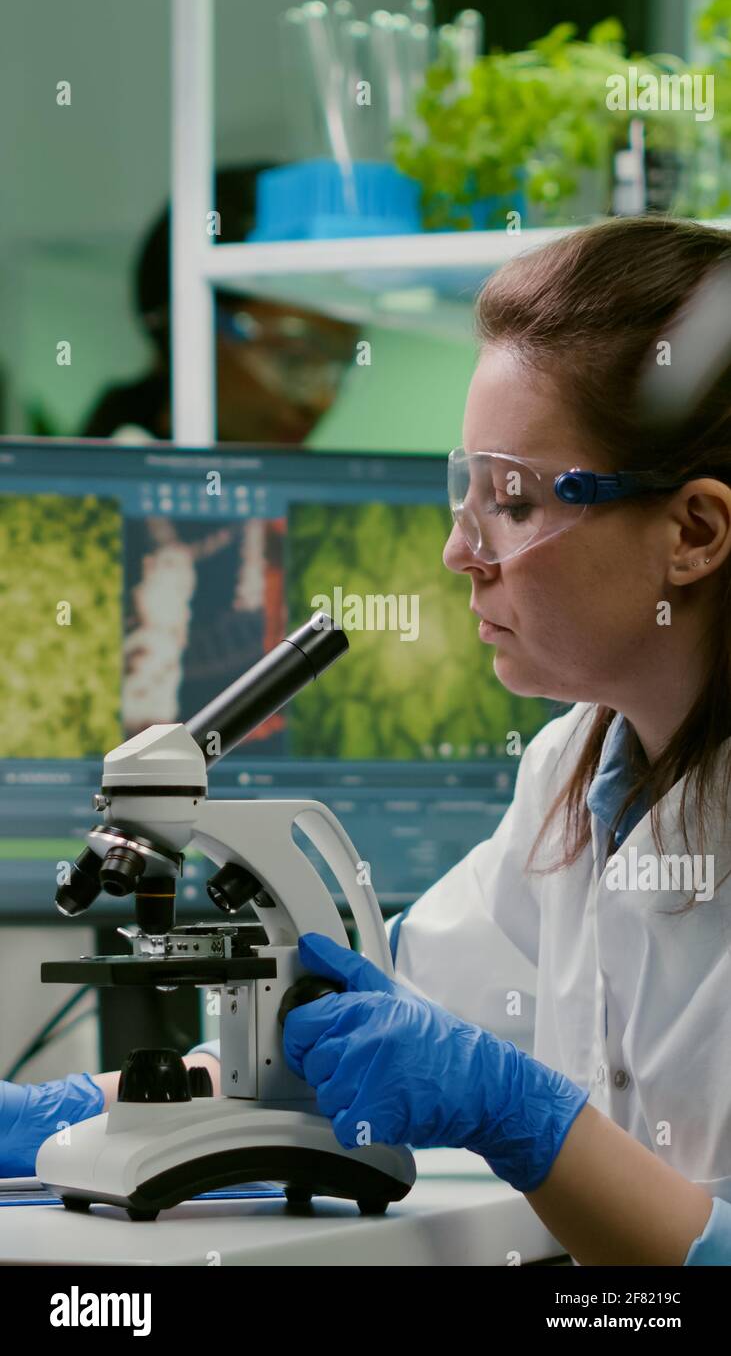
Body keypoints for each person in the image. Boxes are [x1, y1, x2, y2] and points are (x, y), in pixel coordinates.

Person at [2, 217, 730, 1266]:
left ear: (694, 532)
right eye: (464, 490)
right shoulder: (570, 778)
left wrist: (523, 1119)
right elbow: (332, 1044)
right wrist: (58, 1115)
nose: (456, 549)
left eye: (513, 501)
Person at [81, 164, 361, 445]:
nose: (322, 401)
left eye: (340, 368)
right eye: (294, 360)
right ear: (189, 330)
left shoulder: (297, 480)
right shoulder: (110, 478)